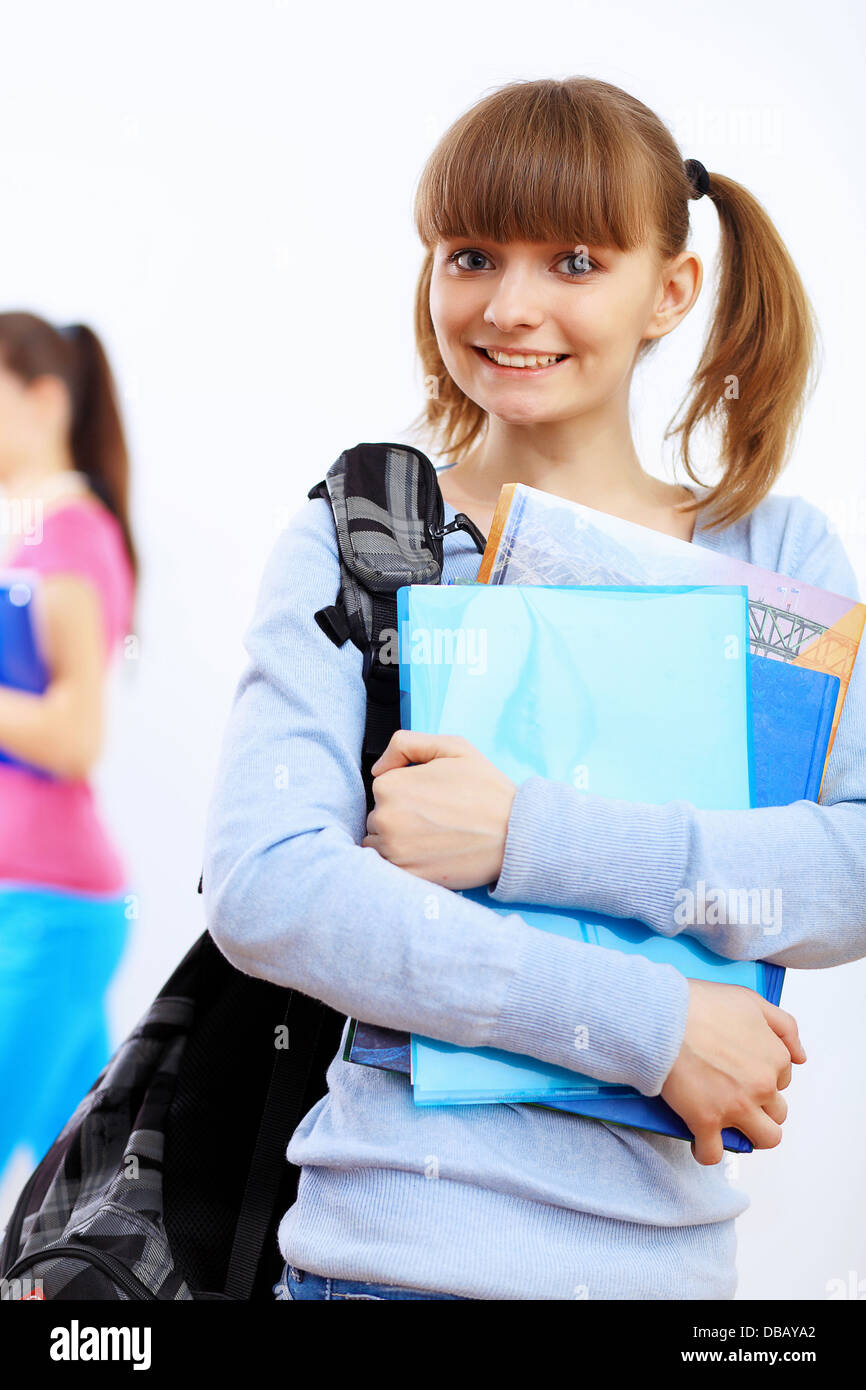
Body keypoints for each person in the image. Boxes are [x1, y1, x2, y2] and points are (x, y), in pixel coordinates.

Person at [202, 76, 865, 1300]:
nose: (509, 308)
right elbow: (269, 880)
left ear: (670, 288)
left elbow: (850, 871)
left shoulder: (772, 558)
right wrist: (650, 1022)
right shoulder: (365, 533)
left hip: (672, 1281)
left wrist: (529, 837)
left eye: (570, 260)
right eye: (470, 256)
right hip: (386, 1263)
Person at [0, 312, 138, 1182]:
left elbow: (77, 735)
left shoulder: (74, 535)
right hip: (36, 904)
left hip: (45, 906)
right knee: (78, 1183)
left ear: (45, 400)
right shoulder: (22, 530)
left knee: (70, 1179)